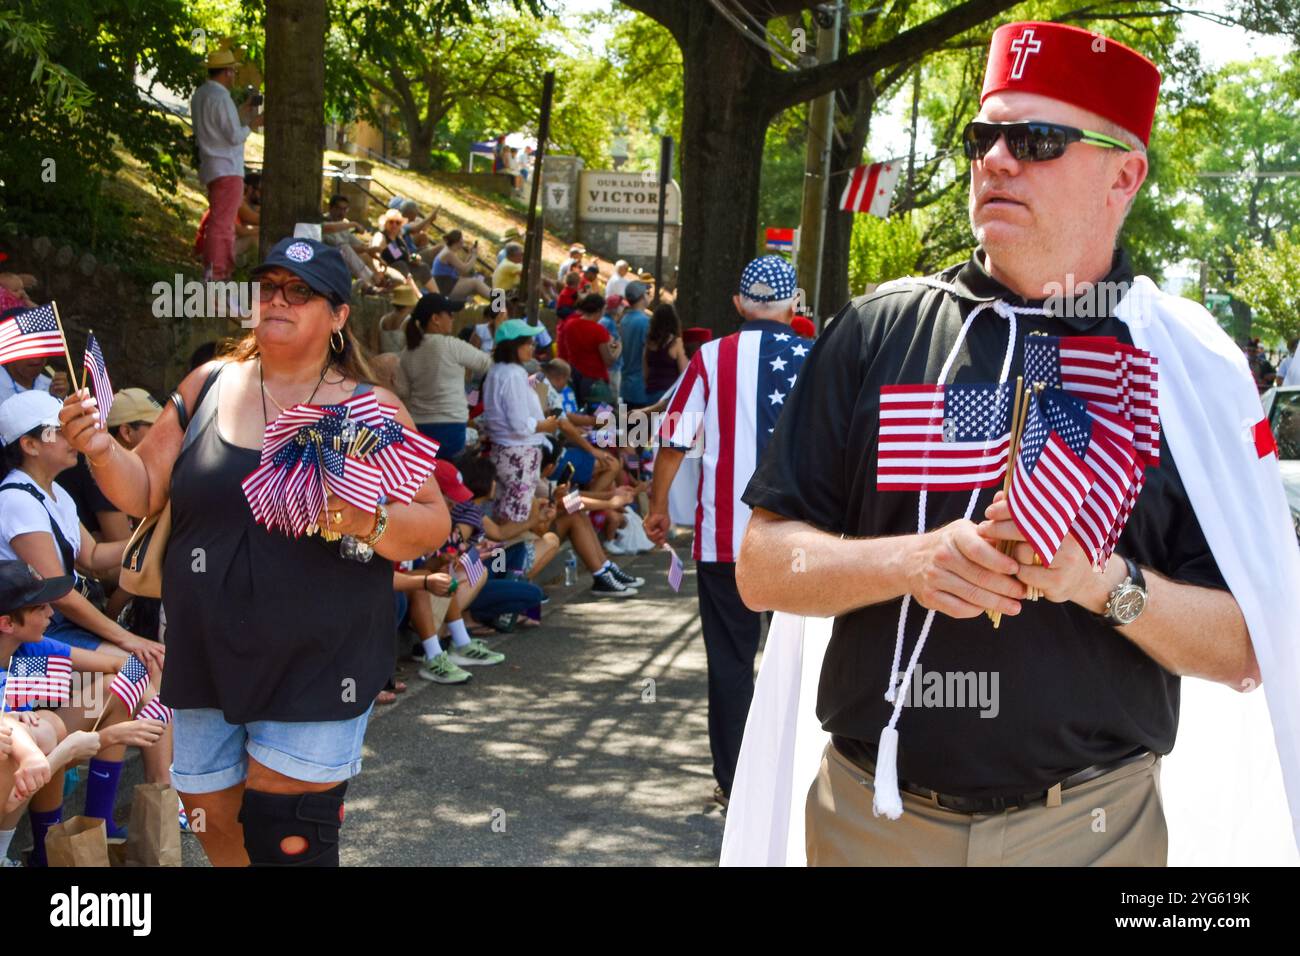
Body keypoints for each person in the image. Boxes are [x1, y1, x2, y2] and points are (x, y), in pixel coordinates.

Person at [727, 22, 1297, 868]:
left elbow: (1252, 643)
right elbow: (763, 566)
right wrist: (912, 562)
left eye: (1037, 140)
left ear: (1124, 174)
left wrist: (1102, 583)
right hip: (870, 816)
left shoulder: (1188, 363)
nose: (997, 160)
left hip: (1094, 827)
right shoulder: (876, 331)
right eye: (983, 137)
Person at [58, 237, 450, 867]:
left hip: (319, 658)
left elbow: (432, 525)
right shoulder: (209, 383)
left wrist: (365, 519)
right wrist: (101, 449)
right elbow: (144, 491)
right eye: (268, 287)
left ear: (340, 315)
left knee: (286, 832)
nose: (278, 299)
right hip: (207, 650)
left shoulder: (368, 408)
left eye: (300, 291)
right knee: (211, 818)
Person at [645, 256, 809, 807]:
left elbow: (674, 441)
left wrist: (657, 505)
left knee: (731, 661)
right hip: (804, 544)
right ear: (795, 306)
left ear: (738, 304)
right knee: (797, 658)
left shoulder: (711, 359)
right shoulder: (816, 358)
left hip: (726, 542)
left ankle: (736, 781)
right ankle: (796, 770)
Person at [191, 49, 262, 281]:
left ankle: (215, 272)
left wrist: (243, 111)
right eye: (234, 71)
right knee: (223, 226)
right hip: (228, 169)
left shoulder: (201, 94)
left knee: (219, 222)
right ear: (228, 71)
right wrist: (253, 124)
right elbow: (233, 135)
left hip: (212, 166)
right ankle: (216, 274)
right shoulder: (221, 97)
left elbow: (220, 128)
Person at [397, 293, 492, 459]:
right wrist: (498, 330)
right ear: (435, 318)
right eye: (450, 314)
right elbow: (488, 364)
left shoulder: (407, 352)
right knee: (450, 477)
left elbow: (403, 391)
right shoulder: (451, 346)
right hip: (451, 427)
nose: (453, 319)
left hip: (419, 427)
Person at [560, 293, 620, 403]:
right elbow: (608, 361)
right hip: (595, 382)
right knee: (603, 416)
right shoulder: (599, 331)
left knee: (580, 413)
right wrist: (619, 348)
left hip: (575, 377)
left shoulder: (569, 324)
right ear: (598, 310)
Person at [642, 303, 688, 405]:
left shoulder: (649, 343)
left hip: (650, 394)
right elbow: (684, 373)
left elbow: (645, 373)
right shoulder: (676, 342)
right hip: (669, 397)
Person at [429, 231, 492, 301]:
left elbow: (461, 271)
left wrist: (470, 255)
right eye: (462, 238)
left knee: (477, 286)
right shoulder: (448, 254)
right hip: (443, 287)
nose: (463, 241)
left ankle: (499, 303)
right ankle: (500, 303)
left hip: (448, 283)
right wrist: (474, 255)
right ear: (458, 241)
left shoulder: (449, 251)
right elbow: (466, 269)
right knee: (475, 283)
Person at [618, 281, 652, 408]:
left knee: (626, 426)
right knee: (639, 428)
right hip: (640, 389)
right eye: (647, 293)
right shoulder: (645, 322)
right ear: (642, 297)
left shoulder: (624, 319)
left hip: (625, 386)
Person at [377, 283, 421, 354]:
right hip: (402, 362)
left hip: (384, 360)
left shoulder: (383, 320)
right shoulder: (409, 321)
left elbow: (378, 346)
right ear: (410, 303)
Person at [599, 295, 625, 400]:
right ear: (616, 309)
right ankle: (611, 416)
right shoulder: (609, 323)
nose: (623, 307)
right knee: (613, 398)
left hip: (608, 368)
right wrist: (620, 345)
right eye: (621, 305)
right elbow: (613, 345)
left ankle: (602, 415)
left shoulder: (605, 321)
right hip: (612, 369)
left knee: (606, 397)